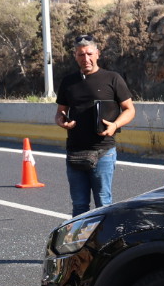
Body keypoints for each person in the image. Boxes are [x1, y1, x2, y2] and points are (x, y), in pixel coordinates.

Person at [54, 36, 135, 216]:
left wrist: (115, 125)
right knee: (79, 206)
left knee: (103, 203)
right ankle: (81, 243)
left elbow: (129, 109)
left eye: (89, 53)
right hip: (75, 151)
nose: (86, 58)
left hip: (103, 151)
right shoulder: (68, 81)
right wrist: (61, 121)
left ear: (97, 54)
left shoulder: (112, 78)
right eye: (81, 54)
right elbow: (60, 112)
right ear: (75, 56)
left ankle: (103, 242)